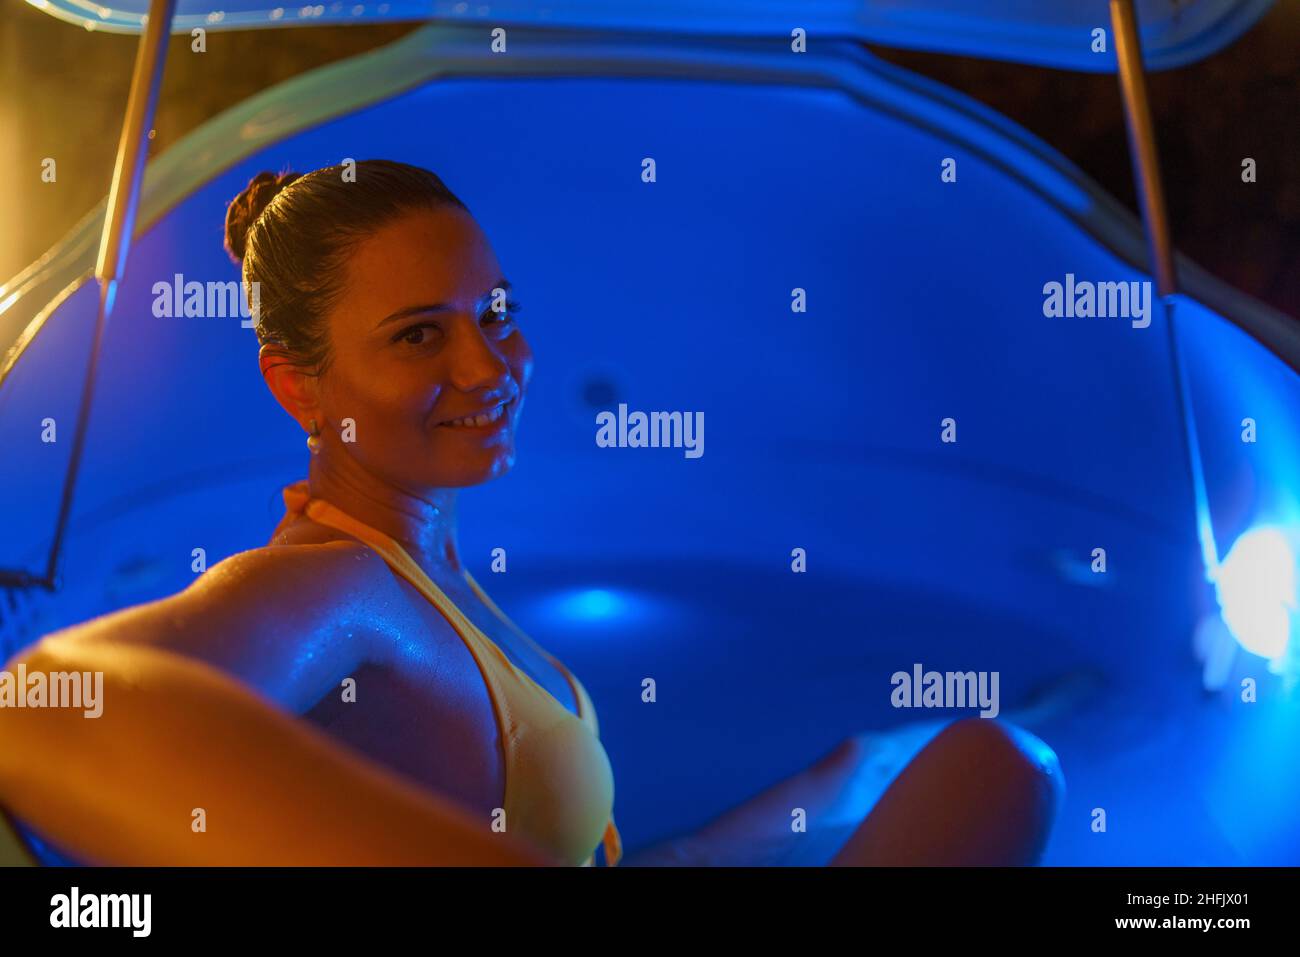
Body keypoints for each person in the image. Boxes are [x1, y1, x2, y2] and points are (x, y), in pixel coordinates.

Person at [0, 161, 1063, 866]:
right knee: (1002, 771)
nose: (490, 366)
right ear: (298, 388)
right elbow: (41, 709)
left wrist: (831, 781)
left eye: (496, 316)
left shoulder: (436, 586)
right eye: (420, 336)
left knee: (995, 760)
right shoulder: (329, 584)